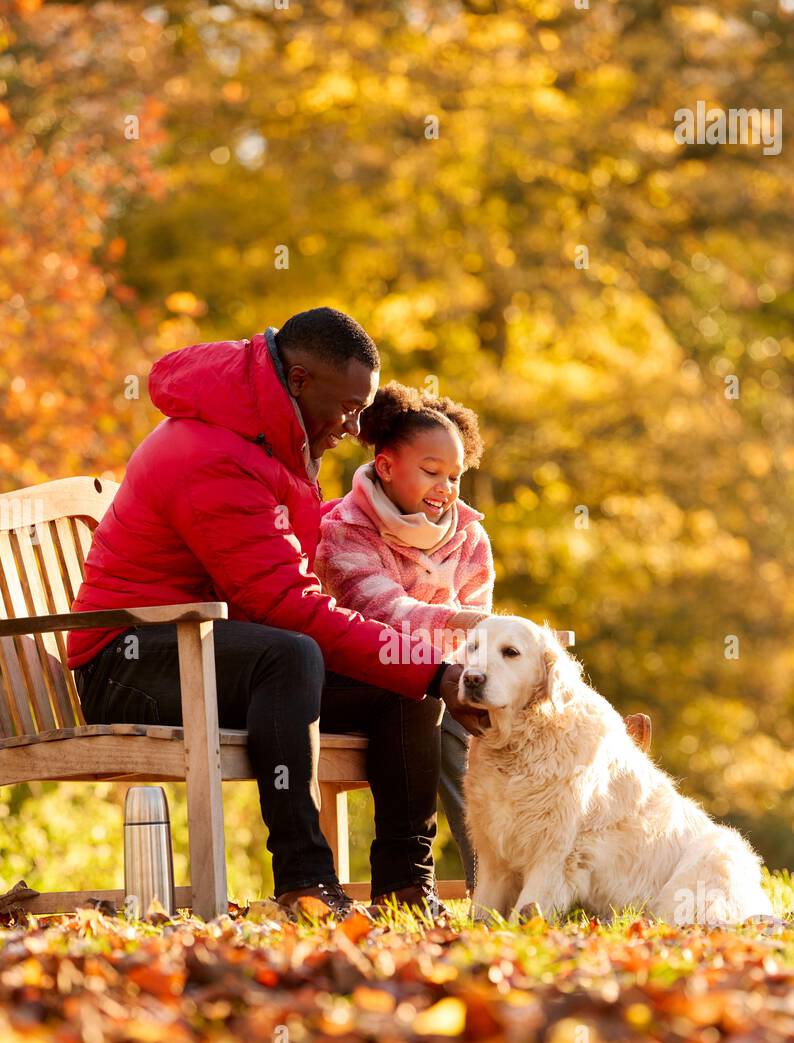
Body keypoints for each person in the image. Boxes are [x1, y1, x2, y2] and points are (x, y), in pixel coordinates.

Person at [68, 308, 485, 921]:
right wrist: (431, 668)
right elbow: (285, 606)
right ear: (297, 380)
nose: (354, 427)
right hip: (129, 664)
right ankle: (306, 882)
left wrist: (423, 672)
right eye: (347, 408)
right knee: (298, 654)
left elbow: (285, 601)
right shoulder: (210, 453)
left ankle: (404, 887)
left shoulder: (270, 440)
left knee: (403, 684)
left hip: (210, 651)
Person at [316, 382, 493, 890]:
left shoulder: (468, 535)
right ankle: (487, 884)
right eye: (432, 472)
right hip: (363, 681)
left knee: (503, 717)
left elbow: (478, 622)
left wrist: (473, 655)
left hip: (444, 677)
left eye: (455, 476)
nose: (445, 488)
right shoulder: (345, 529)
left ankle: (553, 867)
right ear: (388, 466)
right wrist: (461, 632)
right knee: (460, 724)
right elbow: (382, 611)